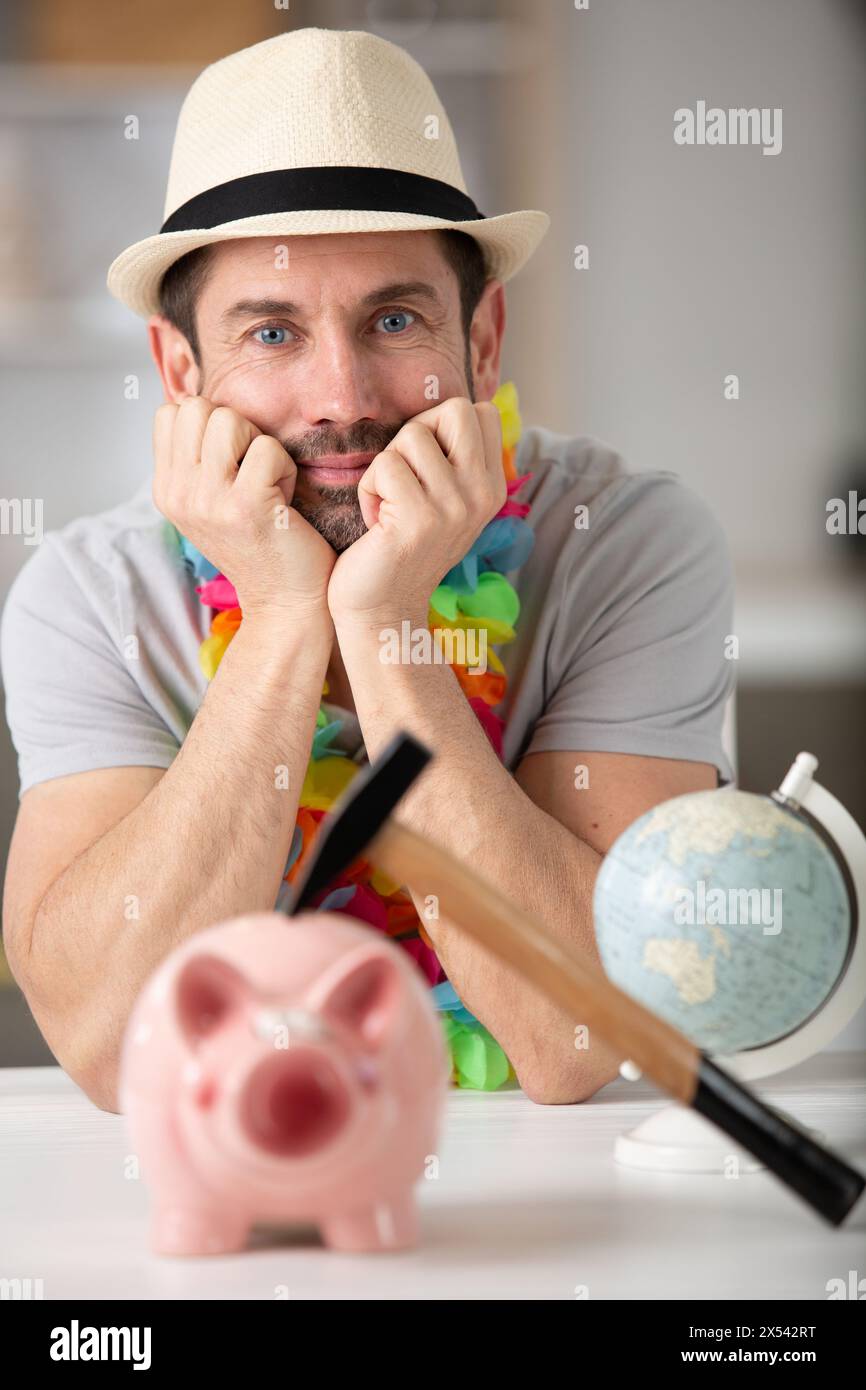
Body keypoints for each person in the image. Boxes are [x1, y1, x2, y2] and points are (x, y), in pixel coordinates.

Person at [0, 29, 735, 1112]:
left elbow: (581, 1035)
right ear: (180, 371)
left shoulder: (629, 542)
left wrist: (386, 621)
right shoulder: (85, 594)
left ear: (482, 341)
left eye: (393, 319)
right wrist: (289, 618)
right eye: (272, 332)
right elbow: (114, 1047)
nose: (340, 397)